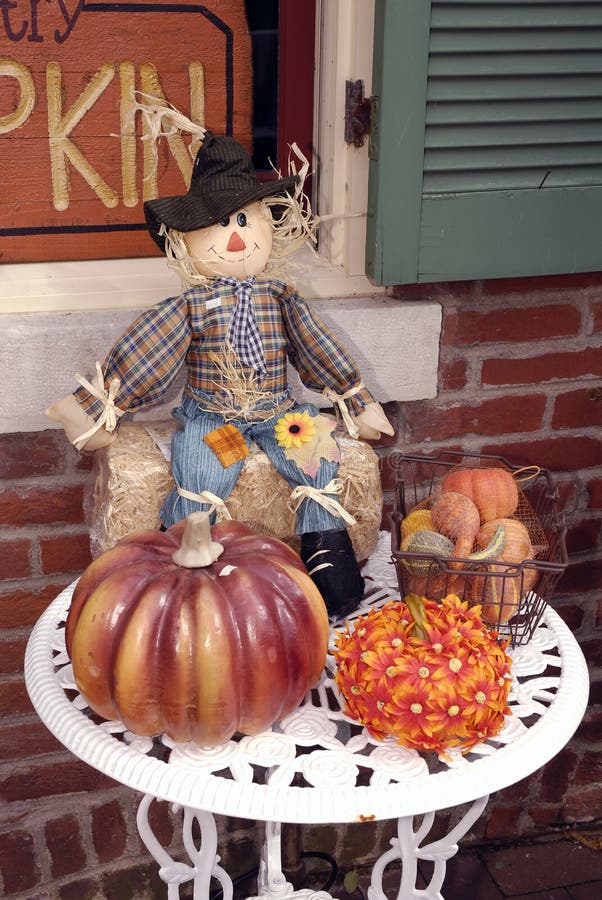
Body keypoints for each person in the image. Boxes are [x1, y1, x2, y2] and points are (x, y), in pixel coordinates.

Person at [46, 131, 393, 618]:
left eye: (245, 219)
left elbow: (318, 349)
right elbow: (150, 353)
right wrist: (101, 407)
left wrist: (353, 399)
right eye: (219, 223)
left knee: (316, 459)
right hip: (219, 419)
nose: (235, 236)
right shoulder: (192, 306)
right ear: (186, 238)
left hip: (280, 412)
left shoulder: (280, 299)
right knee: (204, 474)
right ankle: (187, 576)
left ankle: (328, 563)